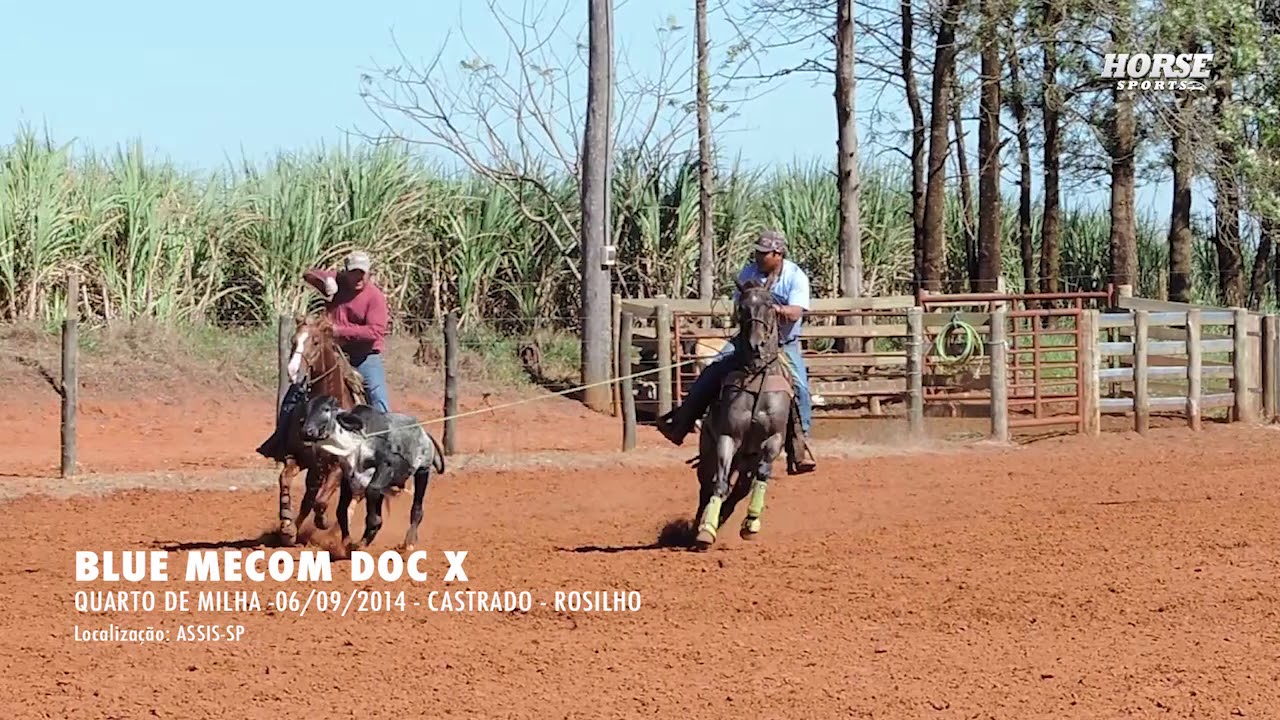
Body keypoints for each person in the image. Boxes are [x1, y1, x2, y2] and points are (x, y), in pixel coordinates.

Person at [655, 230, 816, 471]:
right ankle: (682, 422)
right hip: (745, 340)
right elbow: (737, 307)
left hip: (783, 344)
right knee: (713, 370)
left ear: (778, 254)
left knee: (801, 389)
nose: (758, 257)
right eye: (757, 252)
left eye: (764, 254)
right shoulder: (748, 273)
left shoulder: (795, 276)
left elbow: (797, 311)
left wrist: (773, 310)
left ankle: (799, 446)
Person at [255, 250, 391, 462]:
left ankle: (383, 449)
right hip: (332, 351)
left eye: (362, 273)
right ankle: (281, 441)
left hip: (363, 355)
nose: (359, 278)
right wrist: (326, 279)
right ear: (345, 273)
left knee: (377, 397)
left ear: (369, 273)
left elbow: (375, 331)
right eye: (354, 273)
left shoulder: (374, 297)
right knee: (295, 394)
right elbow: (308, 274)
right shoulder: (339, 282)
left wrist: (339, 331)